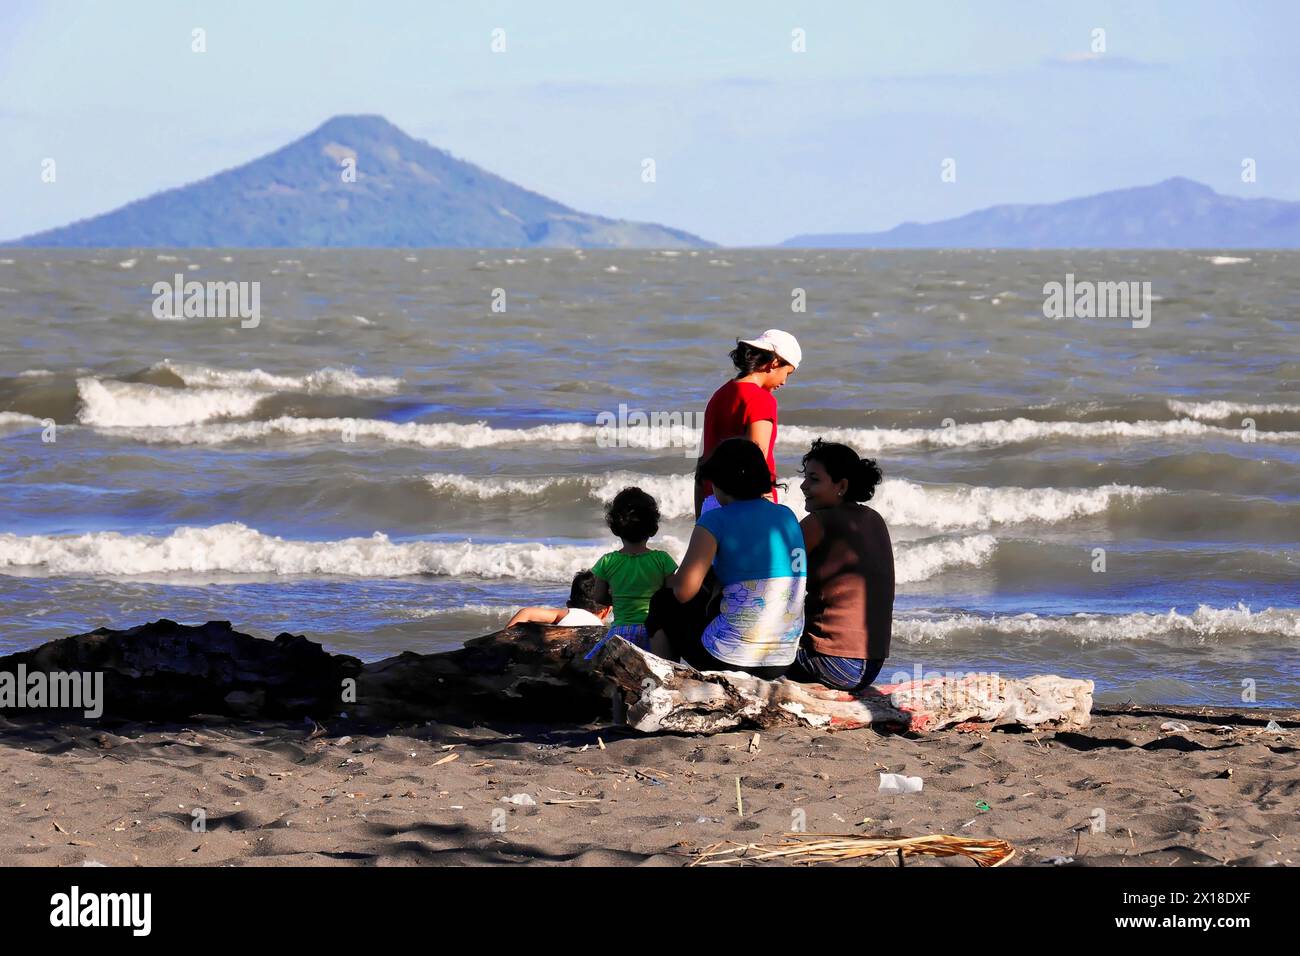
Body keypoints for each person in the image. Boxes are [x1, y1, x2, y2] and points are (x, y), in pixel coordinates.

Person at [649, 437, 805, 679]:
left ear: (720, 482)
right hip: (782, 659)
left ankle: (663, 685)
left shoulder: (714, 521)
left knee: (662, 602)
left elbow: (684, 592)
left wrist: (664, 578)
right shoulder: (787, 516)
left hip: (730, 658)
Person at [788, 439, 895, 691]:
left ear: (842, 485)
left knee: (747, 653)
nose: (803, 485)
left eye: (814, 479)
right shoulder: (873, 519)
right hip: (870, 666)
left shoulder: (817, 523)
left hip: (833, 663)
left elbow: (772, 578)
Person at [694, 329, 801, 519]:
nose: (784, 381)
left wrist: (701, 516)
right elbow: (756, 463)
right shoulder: (761, 400)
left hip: (712, 501)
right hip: (748, 506)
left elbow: (702, 462)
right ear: (774, 363)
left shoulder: (719, 395)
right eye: (788, 373)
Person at [590, 487, 678, 650]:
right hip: (655, 633)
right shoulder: (662, 559)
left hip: (620, 632)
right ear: (653, 525)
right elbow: (672, 597)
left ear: (615, 526)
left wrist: (618, 599)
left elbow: (599, 596)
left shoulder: (608, 561)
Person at [507, 569, 612, 628]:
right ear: (607, 611)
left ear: (569, 605)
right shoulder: (603, 632)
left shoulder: (565, 614)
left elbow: (526, 613)